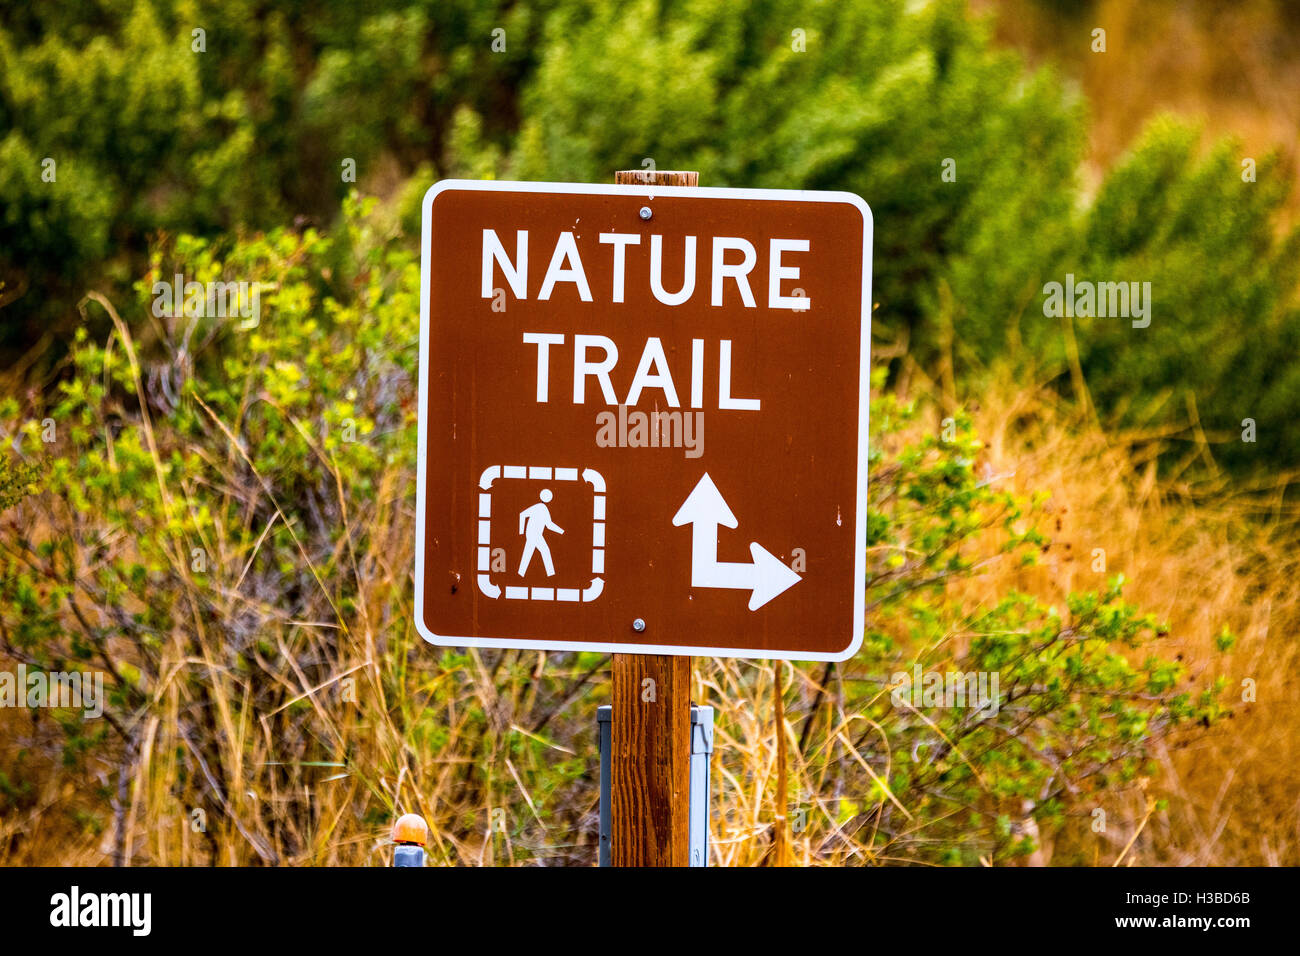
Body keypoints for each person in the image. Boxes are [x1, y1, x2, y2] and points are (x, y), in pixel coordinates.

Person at [518, 489, 564, 576]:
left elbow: (548, 525)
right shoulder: (541, 507)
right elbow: (549, 525)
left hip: (533, 534)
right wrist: (562, 532)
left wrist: (522, 532)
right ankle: (551, 574)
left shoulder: (541, 507)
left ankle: (520, 573)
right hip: (535, 535)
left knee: (529, 552)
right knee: (545, 551)